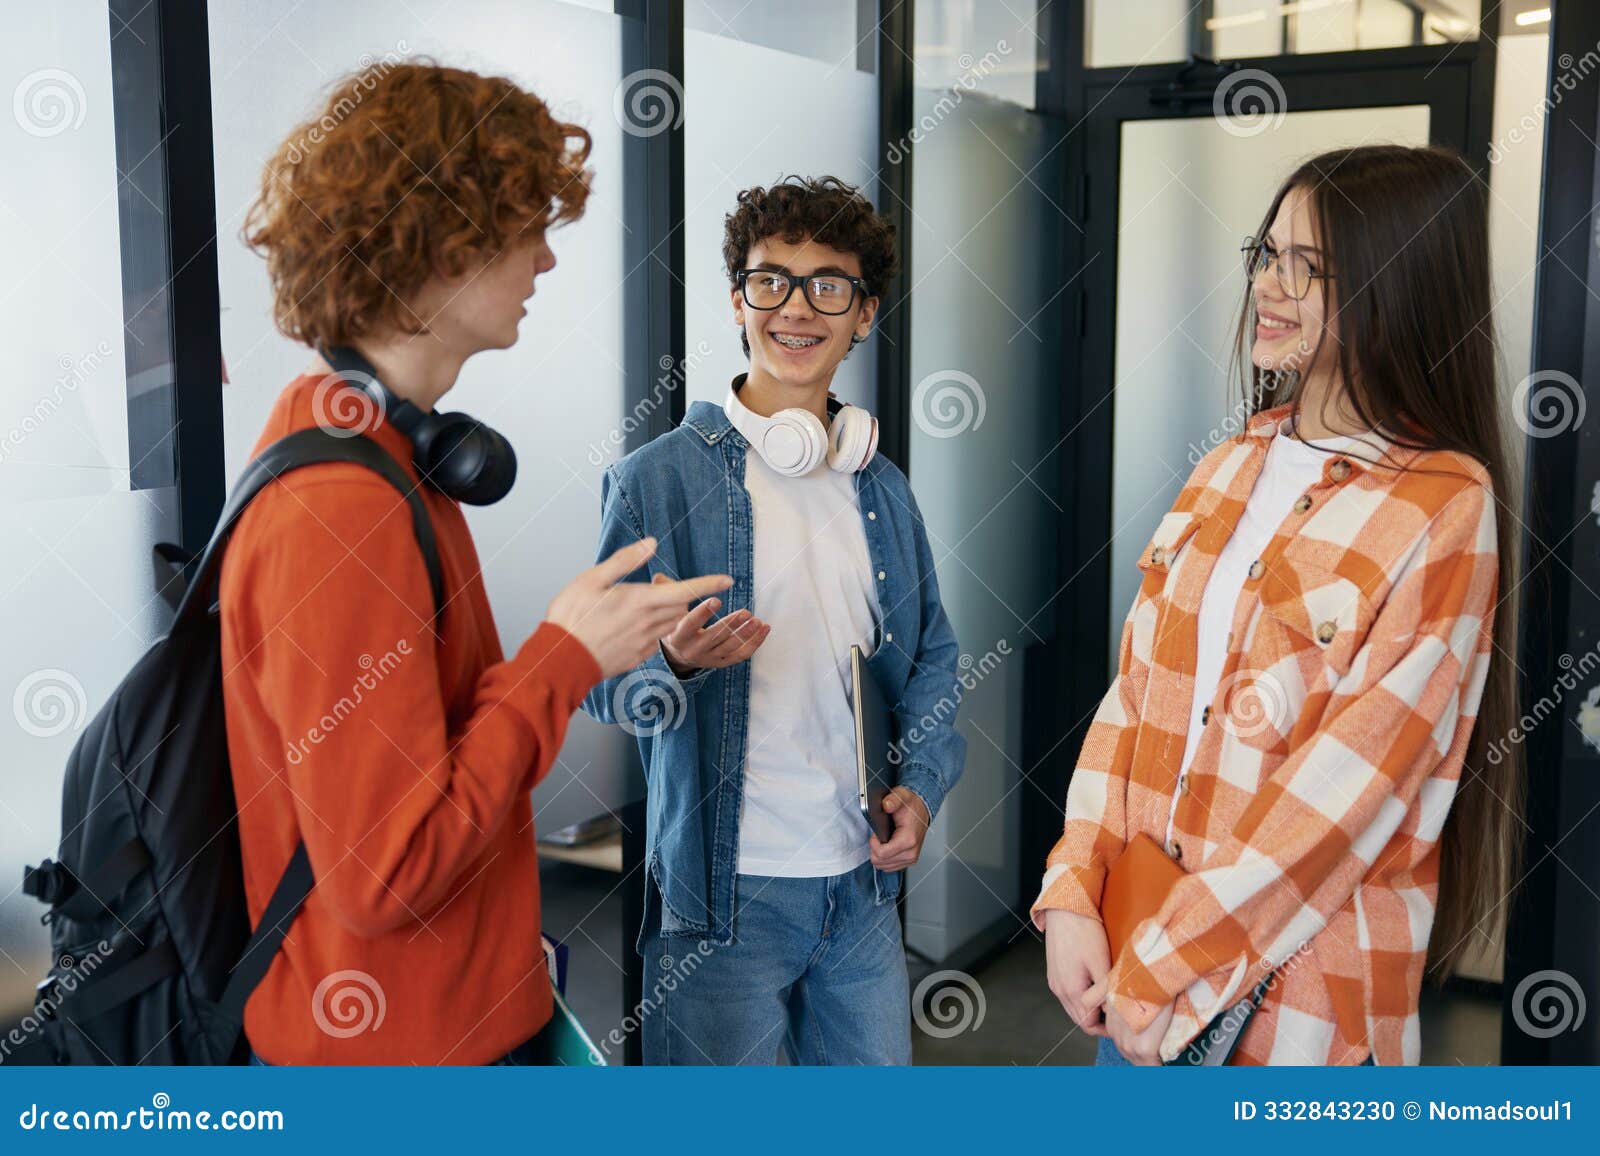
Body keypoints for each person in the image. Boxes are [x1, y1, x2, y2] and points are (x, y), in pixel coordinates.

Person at [223, 60, 730, 1065]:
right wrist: (564, 656)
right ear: (441, 244)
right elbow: (386, 875)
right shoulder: (341, 512)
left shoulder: (387, 455)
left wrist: (595, 649)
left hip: (457, 1024)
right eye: (524, 225)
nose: (545, 259)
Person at [1036, 144, 1520, 1067]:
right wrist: (1070, 889)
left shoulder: (1445, 504)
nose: (1273, 285)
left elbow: (1342, 798)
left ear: (1400, 283)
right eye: (1269, 254)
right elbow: (1134, 697)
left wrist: (1160, 964)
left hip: (1293, 1020)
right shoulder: (1230, 463)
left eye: (1314, 267)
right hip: (1135, 978)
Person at [583, 175, 966, 1065]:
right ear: (738, 301)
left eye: (828, 285)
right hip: (724, 901)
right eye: (771, 282)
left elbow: (936, 656)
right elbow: (592, 683)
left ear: (863, 314)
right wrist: (669, 666)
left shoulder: (878, 483)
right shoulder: (654, 481)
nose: (796, 309)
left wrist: (926, 785)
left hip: (861, 889)